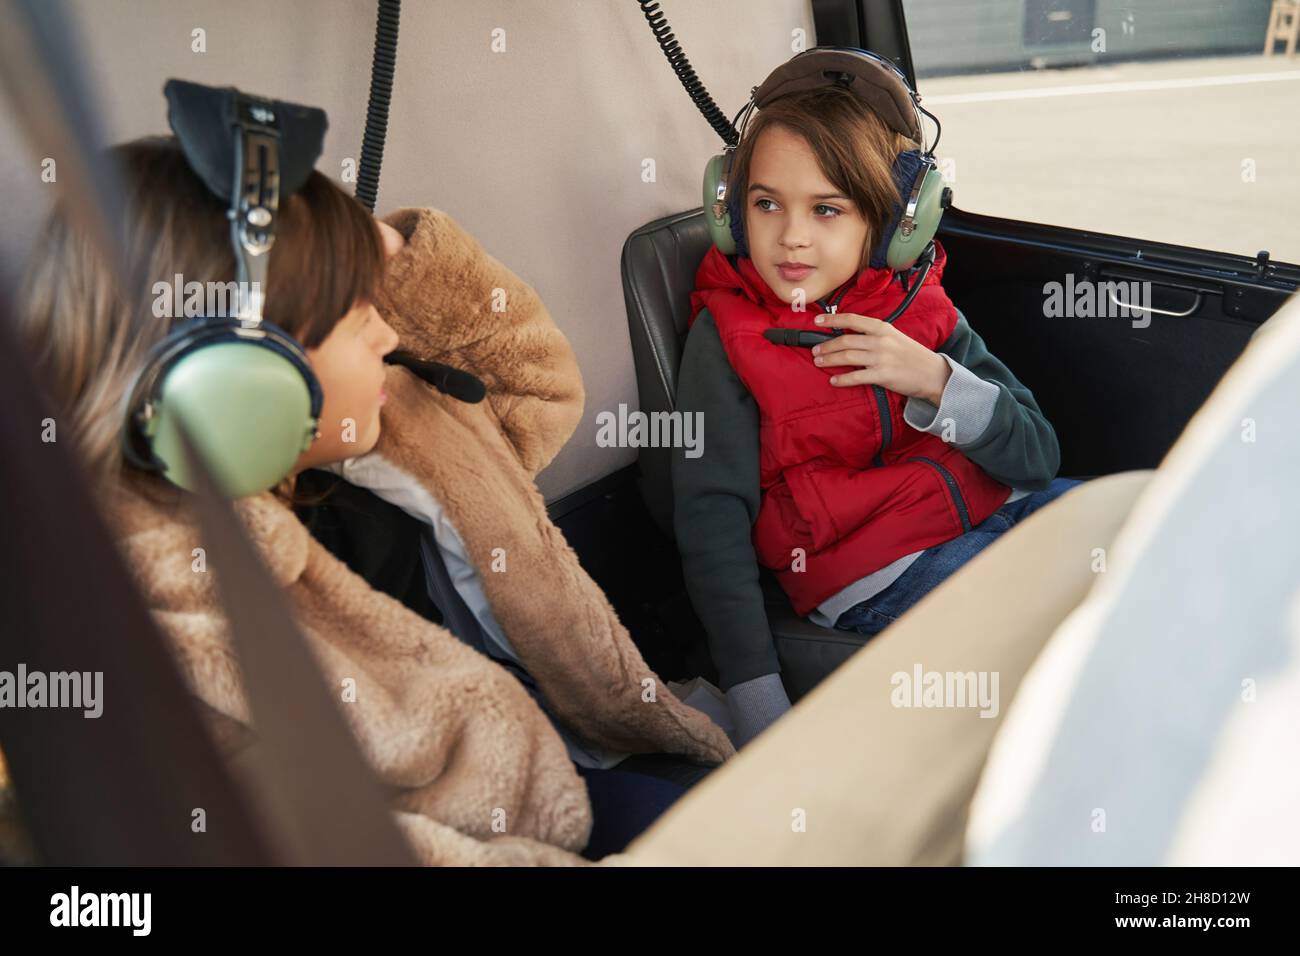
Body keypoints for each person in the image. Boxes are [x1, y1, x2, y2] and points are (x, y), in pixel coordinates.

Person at [14, 133, 732, 865]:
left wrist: (388, 250)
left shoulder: (398, 417)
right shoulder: (181, 618)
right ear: (242, 389)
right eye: (361, 321)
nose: (390, 331)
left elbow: (540, 381)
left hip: (571, 748)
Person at [673, 61, 1080, 748]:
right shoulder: (729, 337)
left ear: (896, 221)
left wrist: (936, 379)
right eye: (766, 204)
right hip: (874, 569)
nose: (792, 236)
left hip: (990, 508)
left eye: (826, 209)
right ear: (731, 212)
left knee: (1144, 523)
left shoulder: (917, 304)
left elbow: (1038, 455)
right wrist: (758, 705)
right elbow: (710, 519)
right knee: (1059, 634)